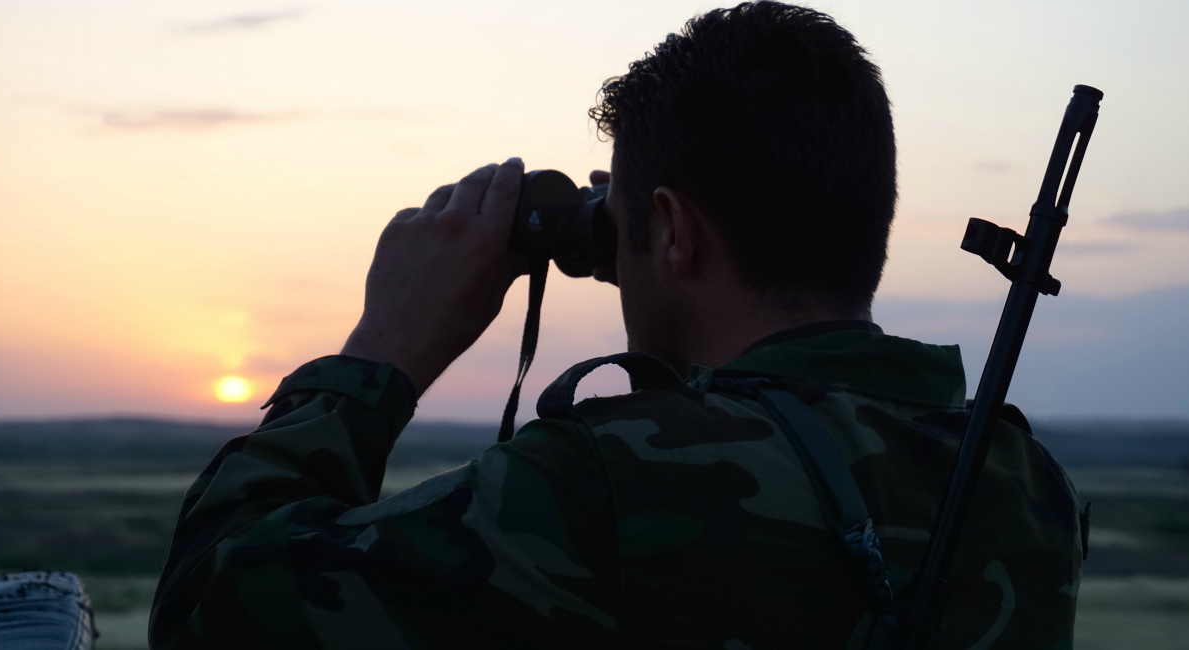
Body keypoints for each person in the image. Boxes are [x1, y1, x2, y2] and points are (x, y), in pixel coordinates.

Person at [150, 3, 1084, 648]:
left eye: (626, 224)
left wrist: (382, 350)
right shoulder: (1016, 483)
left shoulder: (610, 479)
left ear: (673, 231)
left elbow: (212, 609)